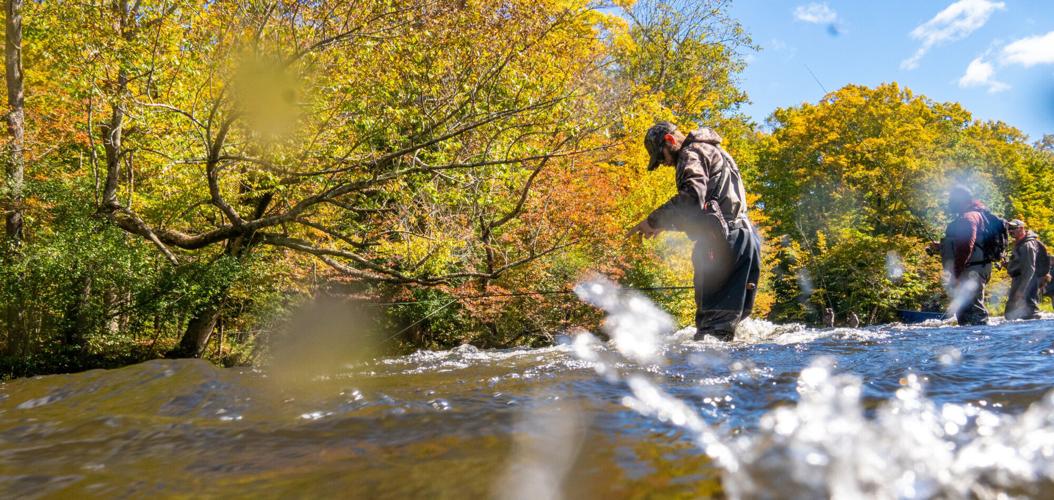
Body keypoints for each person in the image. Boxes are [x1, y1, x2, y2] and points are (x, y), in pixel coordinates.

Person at [628, 121, 761, 341]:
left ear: (670, 141)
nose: (664, 164)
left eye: (661, 157)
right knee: (731, 325)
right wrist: (667, 224)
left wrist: (652, 221)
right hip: (746, 240)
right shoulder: (717, 151)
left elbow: (692, 198)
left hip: (721, 243)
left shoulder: (690, 153)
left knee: (712, 330)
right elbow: (712, 204)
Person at [933, 186, 1000, 326]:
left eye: (952, 199)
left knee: (974, 314)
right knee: (966, 312)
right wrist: (942, 247)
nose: (950, 202)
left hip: (970, 271)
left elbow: (966, 247)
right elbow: (969, 244)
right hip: (974, 268)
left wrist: (956, 273)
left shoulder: (968, 217)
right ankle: (972, 342)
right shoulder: (975, 215)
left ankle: (981, 343)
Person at [1005, 219, 1051, 320]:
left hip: (1027, 281)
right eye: (1009, 229)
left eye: (1013, 228)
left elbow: (1030, 269)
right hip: (1022, 279)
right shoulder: (1021, 243)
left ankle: (1031, 333)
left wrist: (1021, 290)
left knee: (1029, 311)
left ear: (1021, 228)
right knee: (1012, 313)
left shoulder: (1027, 245)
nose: (1010, 231)